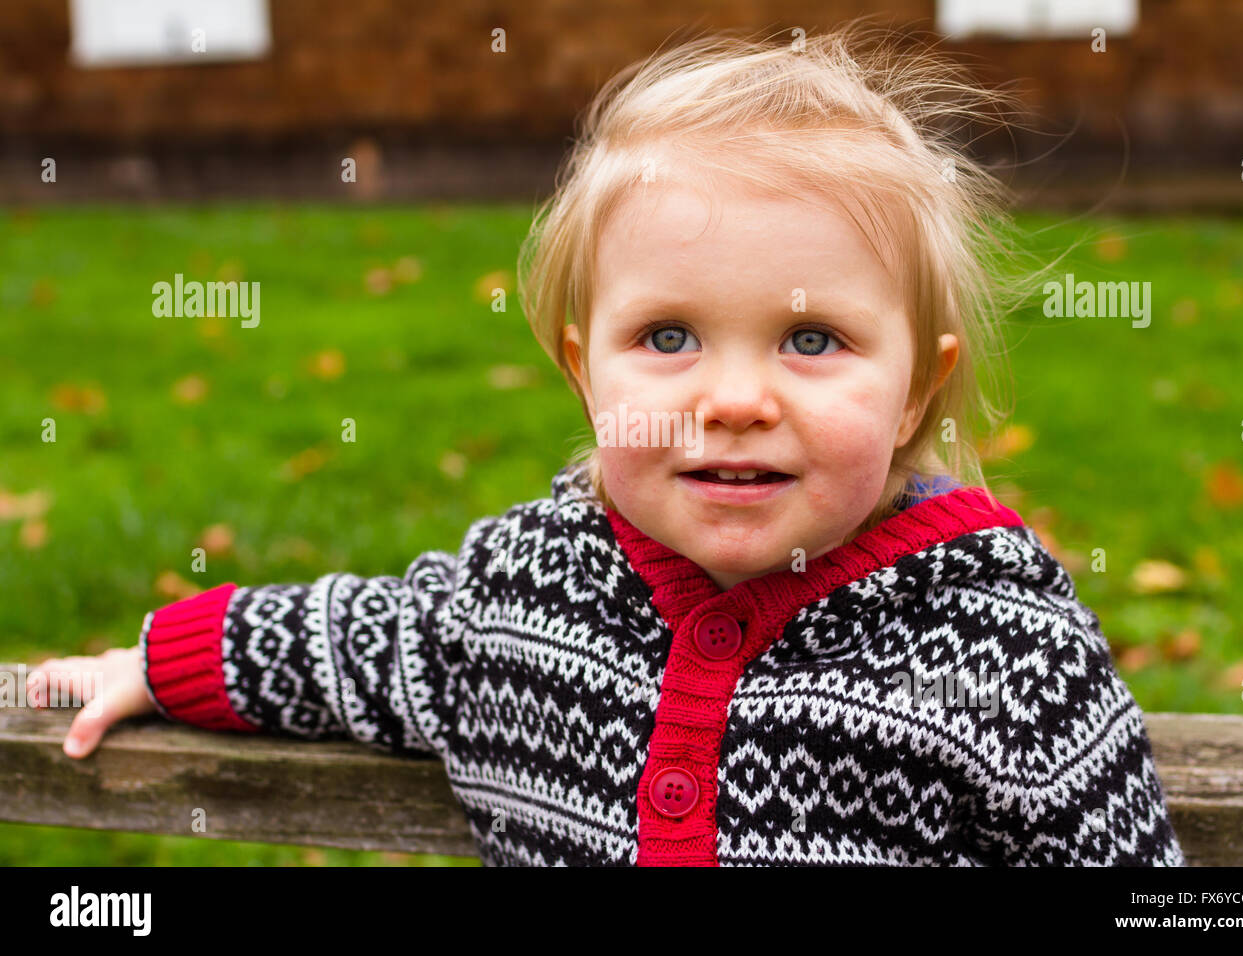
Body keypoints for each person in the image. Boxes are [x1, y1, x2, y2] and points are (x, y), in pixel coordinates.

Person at [26, 18, 1184, 866]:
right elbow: (356, 636)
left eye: (812, 338)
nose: (734, 398)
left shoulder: (1003, 649)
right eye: (668, 334)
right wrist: (160, 662)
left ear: (914, 395)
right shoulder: (523, 592)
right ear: (585, 372)